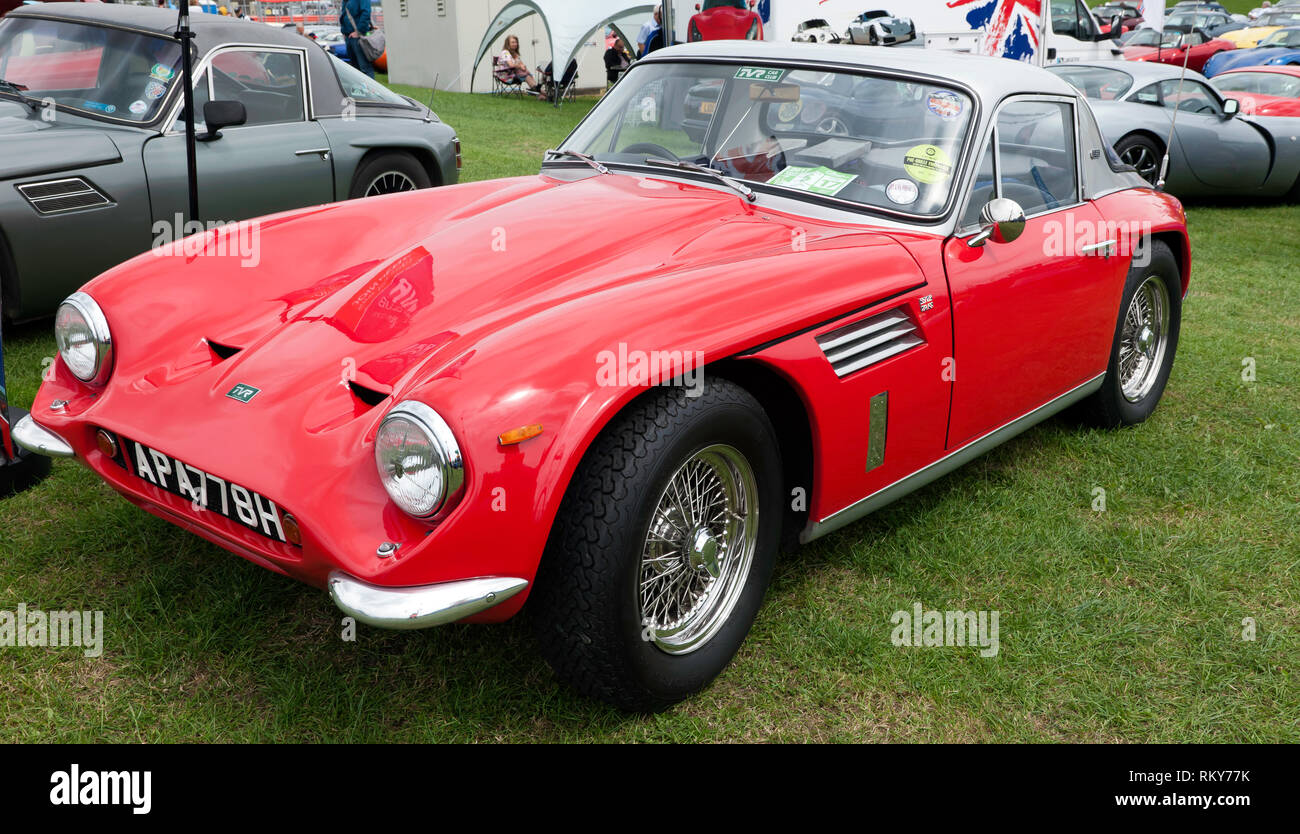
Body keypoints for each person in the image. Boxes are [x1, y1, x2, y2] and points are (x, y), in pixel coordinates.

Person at [340, 0, 375, 78]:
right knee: (355, 70)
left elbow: (366, 13)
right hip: (349, 37)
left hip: (358, 38)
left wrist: (359, 32)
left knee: (365, 68)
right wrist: (344, 32)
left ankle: (370, 90)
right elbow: (344, 15)